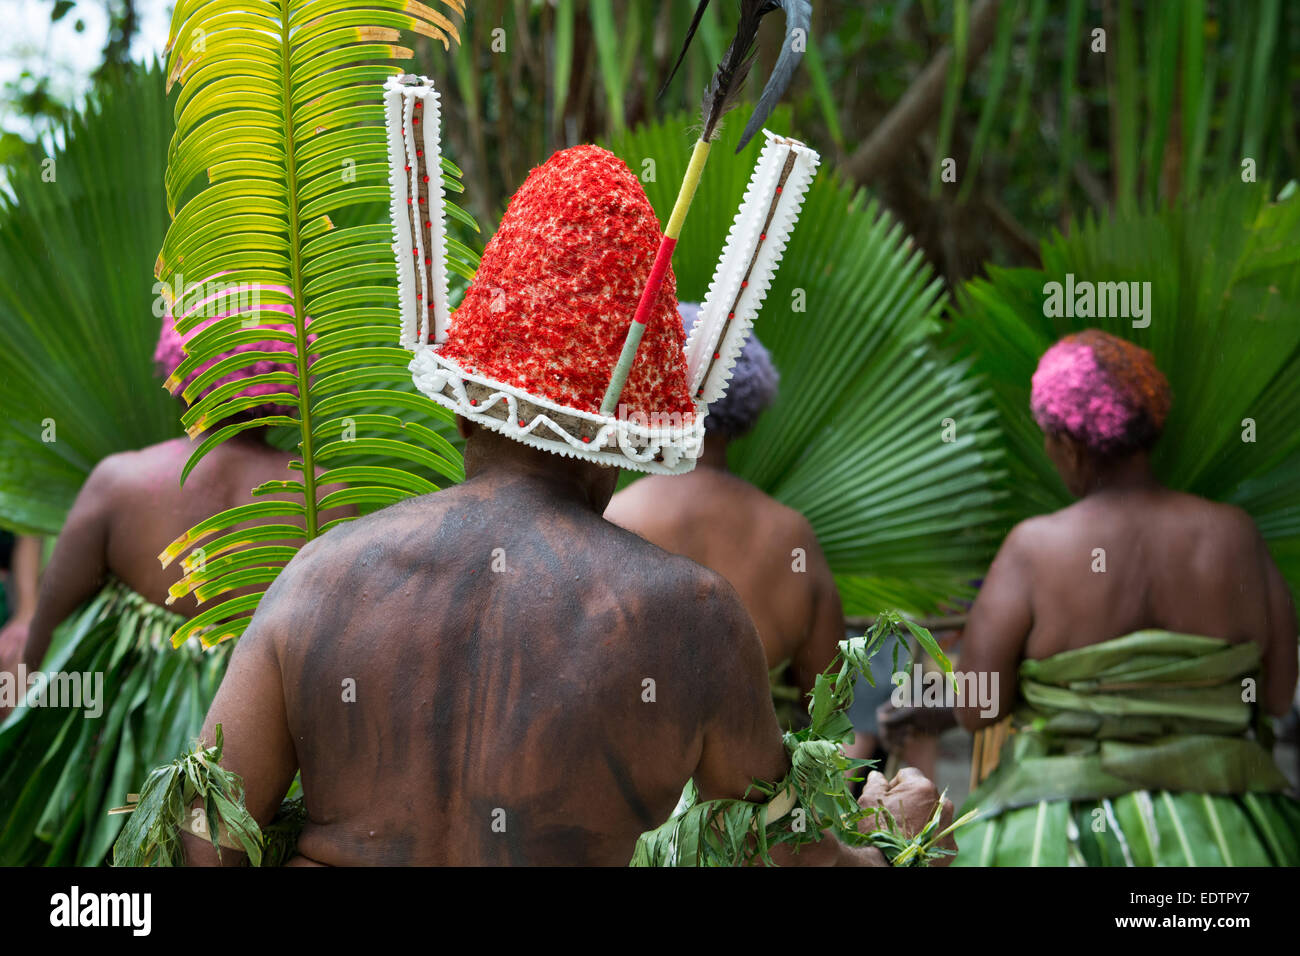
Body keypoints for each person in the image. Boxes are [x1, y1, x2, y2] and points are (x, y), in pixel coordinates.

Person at [176, 145, 953, 866]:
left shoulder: (318, 578)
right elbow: (779, 858)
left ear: (463, 411)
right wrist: (892, 839)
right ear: (621, 445)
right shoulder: (695, 620)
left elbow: (204, 844)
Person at [0, 297, 339, 865]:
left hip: (118, 767)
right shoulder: (327, 501)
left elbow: (47, 628)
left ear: (179, 372)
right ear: (290, 382)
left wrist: (21, 713)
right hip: (267, 769)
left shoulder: (120, 483)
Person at [952, 329, 1300, 866]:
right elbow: (1276, 697)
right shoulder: (1235, 535)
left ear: (1068, 446)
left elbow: (976, 708)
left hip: (1055, 831)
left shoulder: (1035, 547)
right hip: (1227, 834)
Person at [605, 305, 843, 713]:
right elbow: (830, 702)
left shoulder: (611, 520)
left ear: (650, 388)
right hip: (755, 754)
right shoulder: (791, 535)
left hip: (625, 749)